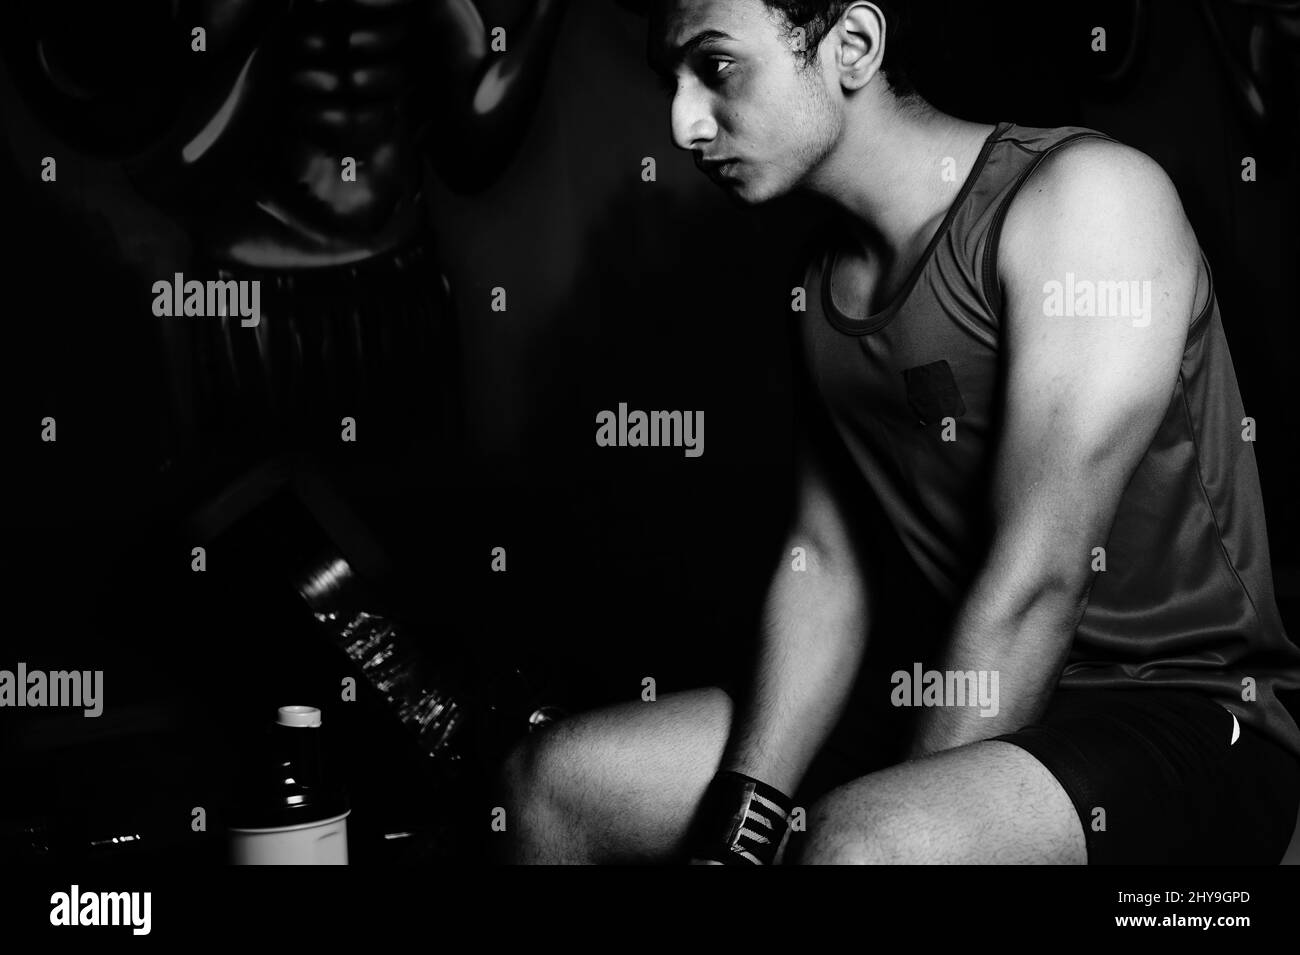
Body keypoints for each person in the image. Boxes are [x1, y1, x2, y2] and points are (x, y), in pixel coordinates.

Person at [496, 0, 1300, 864]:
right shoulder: (825, 284)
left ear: (852, 45)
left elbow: (1040, 580)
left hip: (1184, 713)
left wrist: (888, 817)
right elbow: (826, 567)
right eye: (674, 81)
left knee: (868, 846)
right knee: (555, 782)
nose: (685, 122)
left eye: (717, 68)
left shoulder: (1090, 199)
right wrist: (739, 834)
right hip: (939, 675)